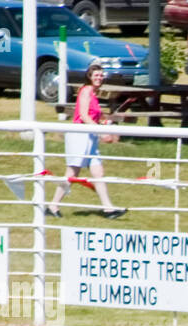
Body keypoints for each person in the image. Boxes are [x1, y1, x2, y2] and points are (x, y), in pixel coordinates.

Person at [46, 64, 126, 219]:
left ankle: (108, 209)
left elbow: (98, 117)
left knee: (98, 172)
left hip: (90, 136)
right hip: (79, 135)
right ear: (89, 77)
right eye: (96, 75)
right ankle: (53, 205)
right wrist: (101, 132)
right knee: (72, 173)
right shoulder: (86, 91)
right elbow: (83, 115)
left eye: (101, 75)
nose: (99, 78)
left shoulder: (94, 94)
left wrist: (107, 126)